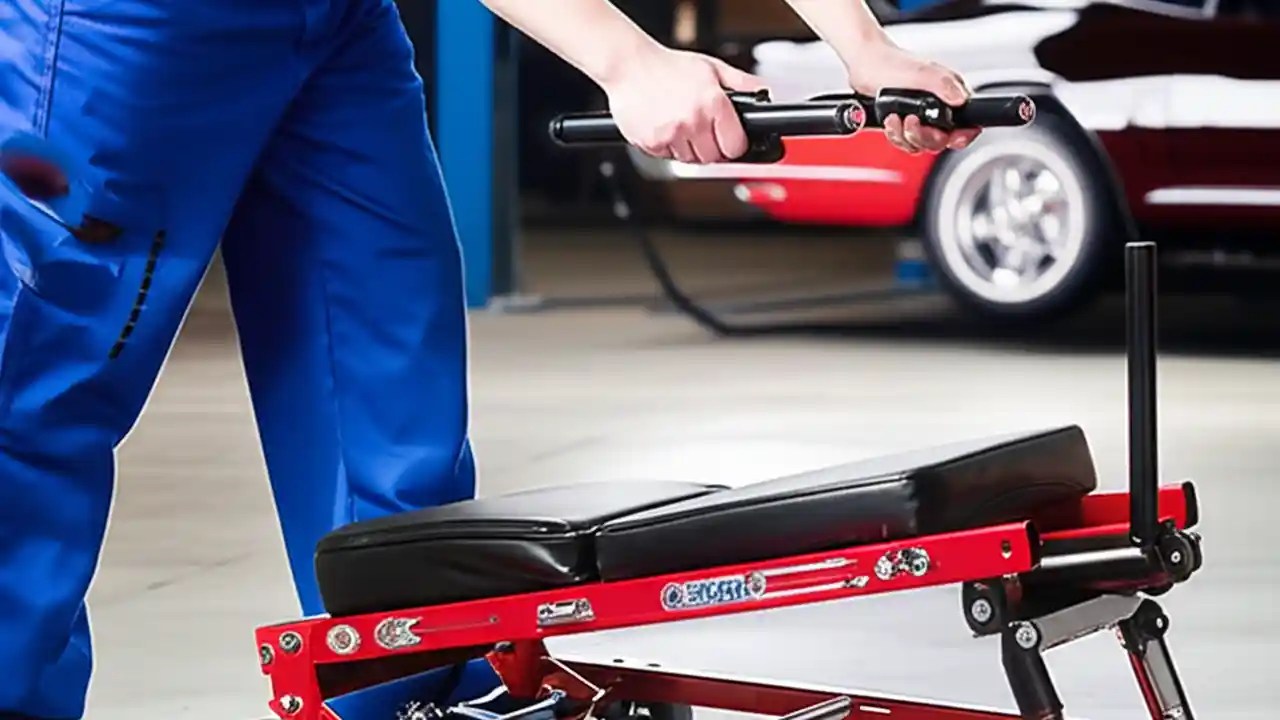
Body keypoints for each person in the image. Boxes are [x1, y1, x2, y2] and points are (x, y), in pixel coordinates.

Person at [0, 0, 977, 717]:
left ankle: (410, 702)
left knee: (391, 409)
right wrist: (627, 59)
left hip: (332, 24)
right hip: (127, 25)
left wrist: (859, 44)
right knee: (28, 412)